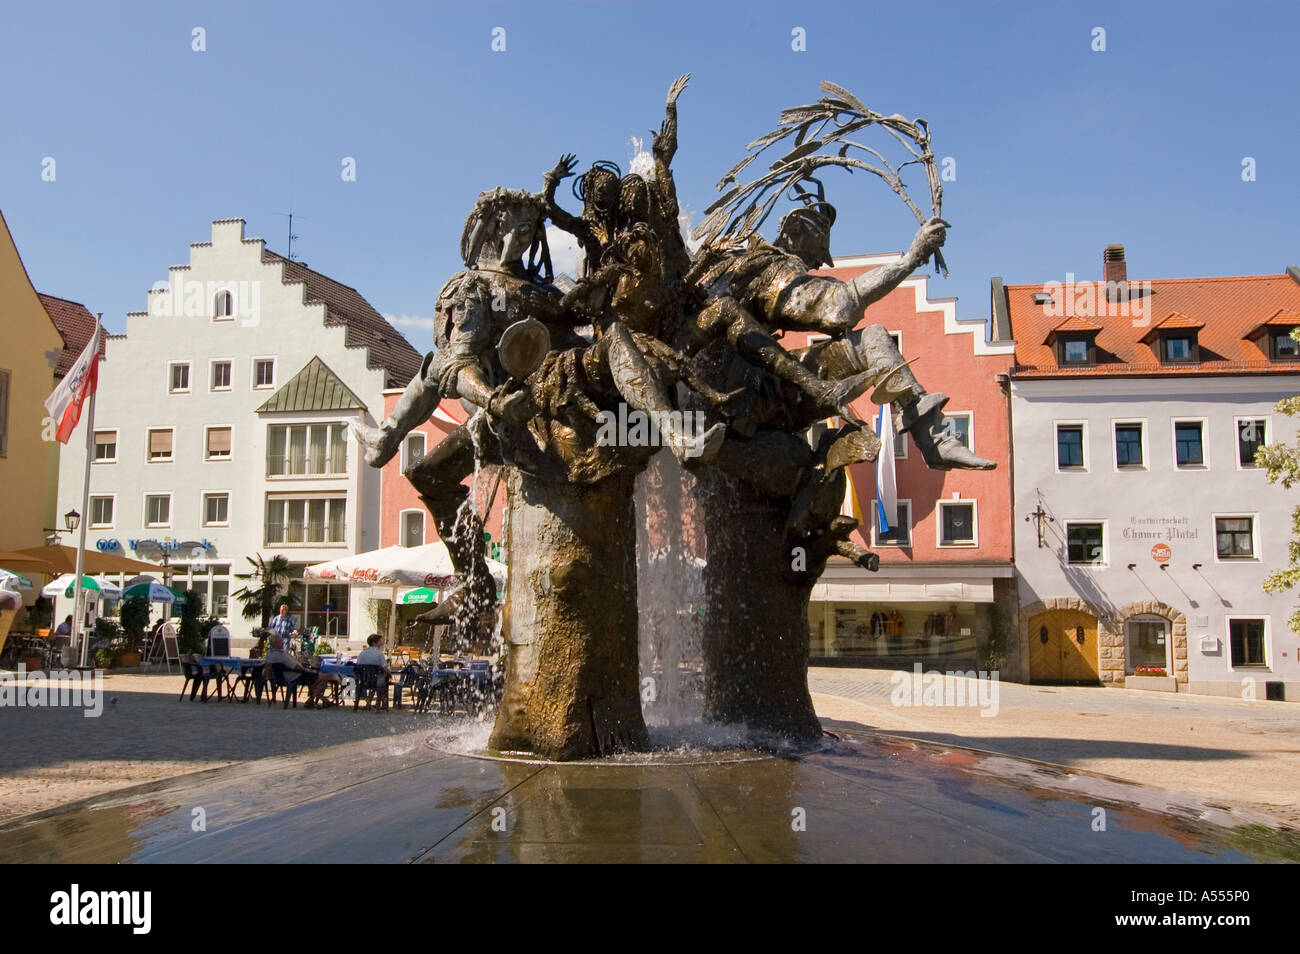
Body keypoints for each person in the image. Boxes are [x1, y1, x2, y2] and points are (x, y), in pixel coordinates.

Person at [263, 634, 333, 707]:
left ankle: (313, 700)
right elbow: (295, 666)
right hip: (294, 675)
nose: (283, 643)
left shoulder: (270, 653)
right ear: (275, 644)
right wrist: (305, 669)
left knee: (315, 677)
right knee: (323, 677)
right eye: (280, 642)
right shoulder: (281, 655)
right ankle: (312, 700)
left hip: (281, 677)